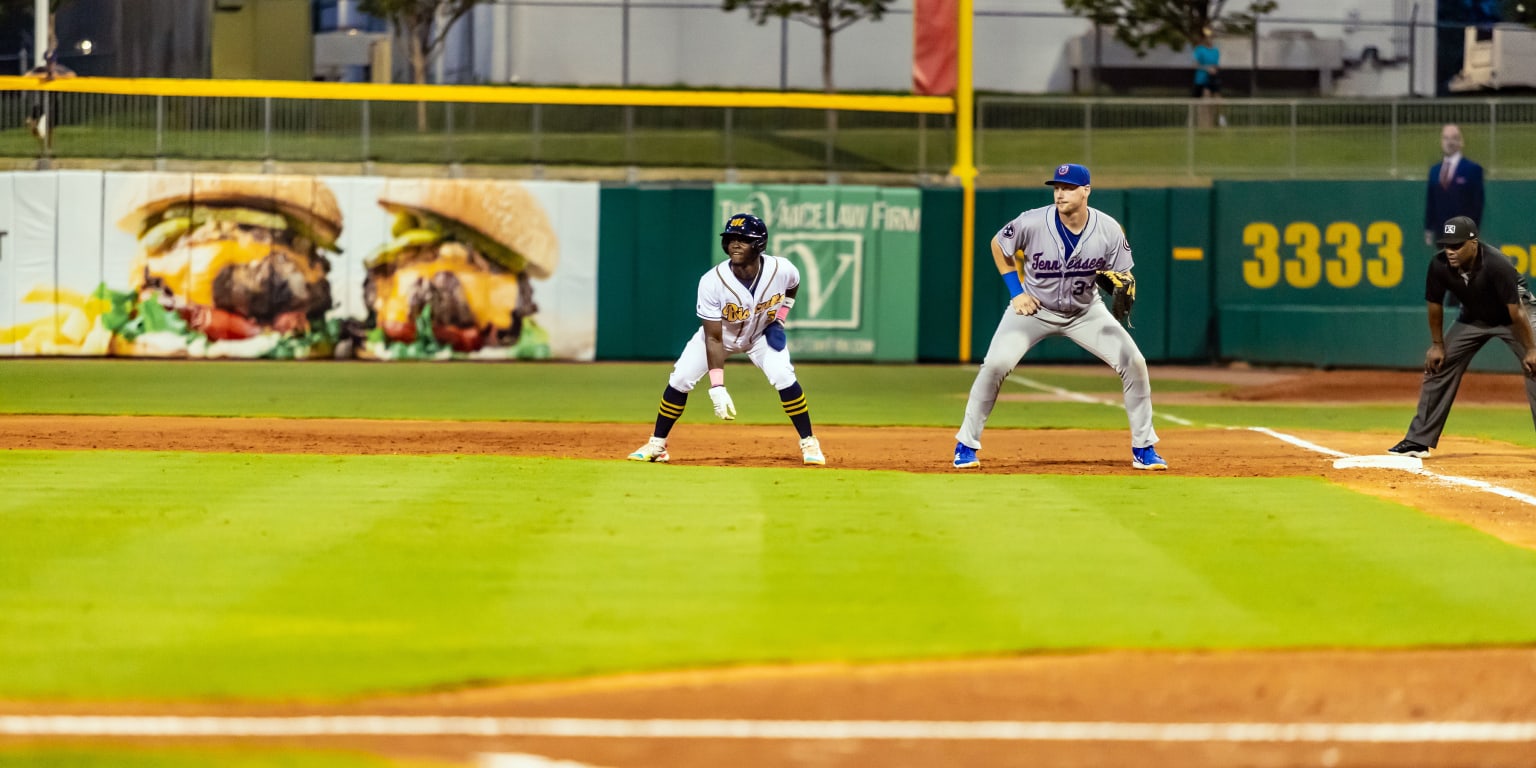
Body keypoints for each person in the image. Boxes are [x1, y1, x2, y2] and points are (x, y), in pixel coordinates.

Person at [953, 163, 1165, 471]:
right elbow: (998, 244)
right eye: (1057, 188)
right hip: (1035, 309)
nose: (1060, 194)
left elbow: (1124, 274)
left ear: (1086, 191)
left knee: (1134, 362)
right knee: (995, 364)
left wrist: (1123, 284)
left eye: (1068, 188)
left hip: (1086, 312)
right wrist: (1017, 292)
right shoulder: (1032, 221)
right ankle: (966, 444)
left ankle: (1144, 447)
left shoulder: (1108, 229)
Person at [629, 212, 826, 466]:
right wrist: (718, 386)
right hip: (721, 337)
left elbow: (793, 285)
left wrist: (780, 318)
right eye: (731, 238)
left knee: (784, 376)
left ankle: (809, 441)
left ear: (759, 243)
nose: (735, 243)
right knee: (680, 379)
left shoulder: (781, 269)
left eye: (743, 239)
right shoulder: (712, 281)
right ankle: (657, 444)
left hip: (760, 336)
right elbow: (713, 338)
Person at [1388, 216, 1536, 458]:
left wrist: (1531, 349)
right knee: (1438, 364)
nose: (1450, 251)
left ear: (1474, 244)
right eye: (1447, 245)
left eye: (1457, 245)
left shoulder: (1497, 264)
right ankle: (1417, 441)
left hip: (1515, 316)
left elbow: (1516, 311)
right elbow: (1434, 304)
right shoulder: (1439, 265)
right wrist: (1437, 345)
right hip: (1473, 317)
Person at [1424, 124, 1484, 248]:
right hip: (1441, 233)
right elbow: (1431, 201)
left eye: (1454, 138)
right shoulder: (1435, 171)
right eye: (1446, 138)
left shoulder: (1472, 169)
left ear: (1461, 141)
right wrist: (1429, 227)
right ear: (1441, 141)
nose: (1449, 142)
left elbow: (1477, 204)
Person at [1192, 30, 1224, 128]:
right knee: (1202, 102)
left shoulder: (1216, 51)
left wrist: (1215, 69)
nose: (1210, 39)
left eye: (1211, 37)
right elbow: (1195, 65)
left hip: (1212, 79)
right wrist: (1207, 68)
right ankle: (1200, 123)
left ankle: (1219, 120)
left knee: (1217, 100)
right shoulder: (1199, 49)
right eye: (1208, 37)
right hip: (1201, 80)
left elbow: (1216, 65)